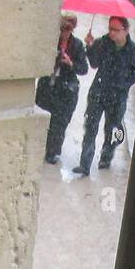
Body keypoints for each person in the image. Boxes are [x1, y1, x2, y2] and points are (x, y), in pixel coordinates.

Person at [74, 16, 135, 176]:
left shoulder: (133, 51)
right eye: (110, 28)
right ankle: (85, 164)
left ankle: (106, 158)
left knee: (113, 130)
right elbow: (93, 63)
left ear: (125, 31)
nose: (111, 32)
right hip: (98, 92)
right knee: (90, 127)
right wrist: (90, 46)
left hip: (117, 97)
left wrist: (124, 84)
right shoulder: (103, 43)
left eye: (115, 29)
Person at [43, 14, 88, 165]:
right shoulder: (50, 41)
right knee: (45, 120)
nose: (65, 33)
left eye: (69, 29)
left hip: (66, 90)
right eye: (63, 29)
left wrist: (71, 63)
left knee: (60, 123)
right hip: (48, 87)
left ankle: (53, 152)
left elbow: (84, 69)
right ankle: (42, 147)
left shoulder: (77, 46)